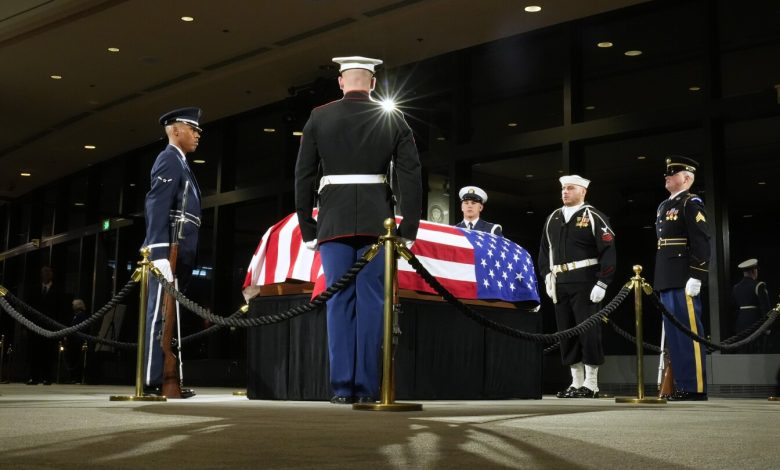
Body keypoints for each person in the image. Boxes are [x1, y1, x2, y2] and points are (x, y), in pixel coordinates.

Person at [295, 56, 422, 404]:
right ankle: (366, 387)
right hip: (376, 221)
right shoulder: (393, 117)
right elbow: (410, 173)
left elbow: (304, 175)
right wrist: (408, 226)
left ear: (340, 82)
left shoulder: (319, 117)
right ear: (374, 83)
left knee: (338, 302)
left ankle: (341, 387)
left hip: (333, 220)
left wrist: (308, 226)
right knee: (372, 303)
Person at [142, 107, 203, 398]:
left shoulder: (181, 163)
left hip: (182, 249)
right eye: (193, 129)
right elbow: (157, 205)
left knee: (172, 316)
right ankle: (152, 378)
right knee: (159, 314)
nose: (197, 135)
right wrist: (158, 252)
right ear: (176, 130)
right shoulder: (168, 159)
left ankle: (170, 378)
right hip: (168, 249)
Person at [538, 175, 616, 399]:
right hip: (560, 282)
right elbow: (544, 251)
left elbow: (609, 251)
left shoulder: (594, 216)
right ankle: (576, 382)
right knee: (567, 332)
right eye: (563, 188)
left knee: (588, 331)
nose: (565, 192)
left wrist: (603, 281)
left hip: (586, 281)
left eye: (570, 188)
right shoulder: (553, 217)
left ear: (583, 192)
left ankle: (591, 383)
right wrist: (546, 276)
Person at [654, 156, 710, 401]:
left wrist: (697, 274)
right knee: (674, 335)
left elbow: (700, 240)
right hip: (667, 274)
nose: (667, 176)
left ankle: (694, 387)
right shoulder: (665, 205)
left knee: (688, 333)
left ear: (686, 178)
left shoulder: (691, 202)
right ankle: (681, 384)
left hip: (683, 275)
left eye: (672, 173)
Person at [26, 265, 67, 385]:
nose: (46, 274)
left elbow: (61, 311)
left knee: (48, 353)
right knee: (34, 352)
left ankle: (47, 377)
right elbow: (27, 309)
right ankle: (34, 377)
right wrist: (26, 326)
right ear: (41, 274)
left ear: (52, 274)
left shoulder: (58, 291)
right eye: (44, 272)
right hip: (35, 327)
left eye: (49, 272)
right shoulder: (33, 290)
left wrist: (60, 328)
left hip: (50, 328)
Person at [732, 258, 771, 354]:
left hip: (740, 324)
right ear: (754, 271)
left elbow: (734, 308)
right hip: (755, 323)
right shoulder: (759, 285)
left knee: (743, 351)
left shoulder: (736, 287)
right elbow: (765, 308)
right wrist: (767, 327)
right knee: (756, 351)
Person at [65, 299, 89, 383]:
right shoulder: (74, 315)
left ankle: (76, 378)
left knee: (76, 359)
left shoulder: (82, 316)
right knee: (71, 359)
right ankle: (72, 377)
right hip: (72, 340)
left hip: (77, 341)